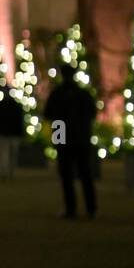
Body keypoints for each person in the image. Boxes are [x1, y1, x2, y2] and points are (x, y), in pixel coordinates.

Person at [43, 64, 98, 219]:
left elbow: (48, 114)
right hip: (81, 138)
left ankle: (71, 208)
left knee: (66, 175)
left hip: (63, 136)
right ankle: (91, 208)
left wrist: (57, 136)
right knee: (85, 174)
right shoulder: (83, 94)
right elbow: (93, 113)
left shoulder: (57, 94)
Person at [0, 90, 25, 178]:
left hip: (2, 132)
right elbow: (20, 121)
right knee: (13, 154)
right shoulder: (17, 106)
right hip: (15, 133)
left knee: (4, 153)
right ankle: (11, 172)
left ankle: (4, 172)